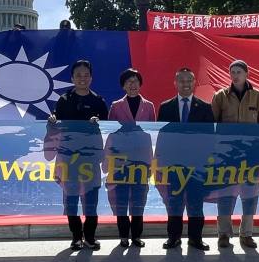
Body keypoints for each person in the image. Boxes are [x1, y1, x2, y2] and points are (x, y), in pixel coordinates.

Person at [47, 60, 108, 250]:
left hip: (90, 159)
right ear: (72, 78)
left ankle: (90, 236)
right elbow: (54, 127)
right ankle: (76, 237)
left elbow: (107, 129)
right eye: (78, 75)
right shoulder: (64, 100)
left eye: (86, 75)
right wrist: (52, 121)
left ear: (91, 78)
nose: (82, 78)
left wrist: (98, 123)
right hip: (68, 159)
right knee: (71, 198)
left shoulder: (98, 101)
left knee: (91, 199)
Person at [211, 60, 259, 249]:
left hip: (252, 156)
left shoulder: (257, 97)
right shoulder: (220, 96)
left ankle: (246, 234)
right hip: (226, 157)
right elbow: (211, 128)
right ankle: (223, 234)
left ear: (247, 74)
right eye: (232, 72)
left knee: (250, 196)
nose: (235, 75)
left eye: (238, 71)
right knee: (225, 196)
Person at [156, 67, 215, 251]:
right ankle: (174, 237)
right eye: (182, 80)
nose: (185, 84)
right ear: (175, 83)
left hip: (197, 166)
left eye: (189, 80)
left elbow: (210, 138)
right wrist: (160, 163)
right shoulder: (165, 107)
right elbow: (162, 137)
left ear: (194, 83)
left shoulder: (205, 108)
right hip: (173, 166)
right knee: (174, 202)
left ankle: (195, 238)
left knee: (196, 202)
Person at [107, 68, 156, 247]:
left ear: (140, 84)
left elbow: (152, 133)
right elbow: (110, 133)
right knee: (120, 198)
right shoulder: (116, 106)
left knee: (138, 198)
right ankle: (123, 236)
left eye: (135, 81)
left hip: (142, 160)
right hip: (120, 161)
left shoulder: (149, 106)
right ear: (123, 86)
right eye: (129, 82)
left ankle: (136, 236)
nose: (132, 84)